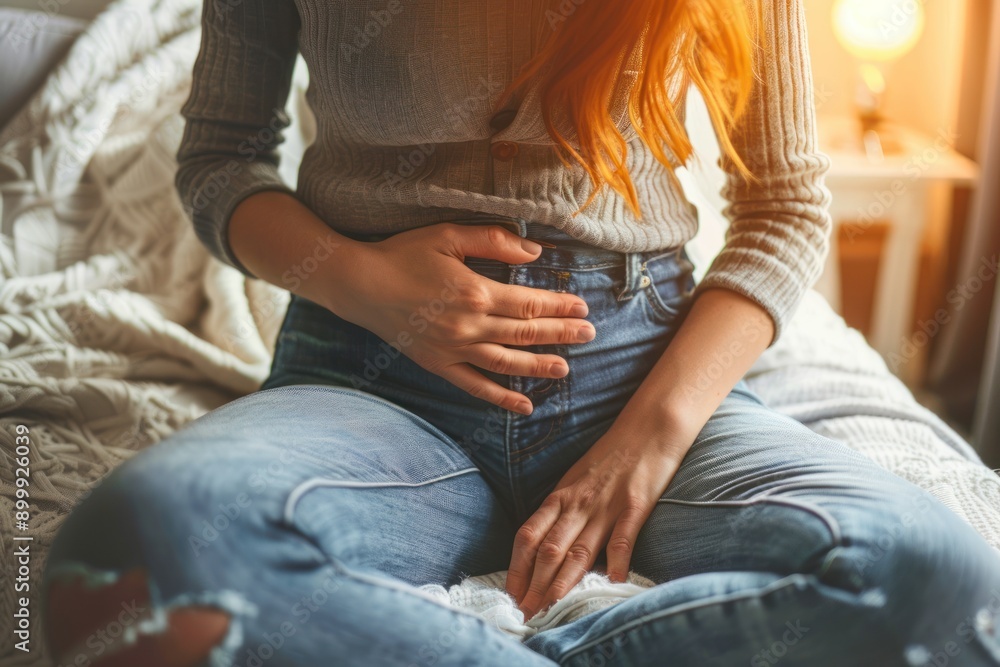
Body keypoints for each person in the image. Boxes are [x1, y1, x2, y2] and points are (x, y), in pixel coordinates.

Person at [42, 0, 1000, 665]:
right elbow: (218, 164)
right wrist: (371, 285)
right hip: (371, 376)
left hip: (639, 373)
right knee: (131, 551)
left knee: (946, 574)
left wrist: (648, 439)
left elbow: (785, 207)